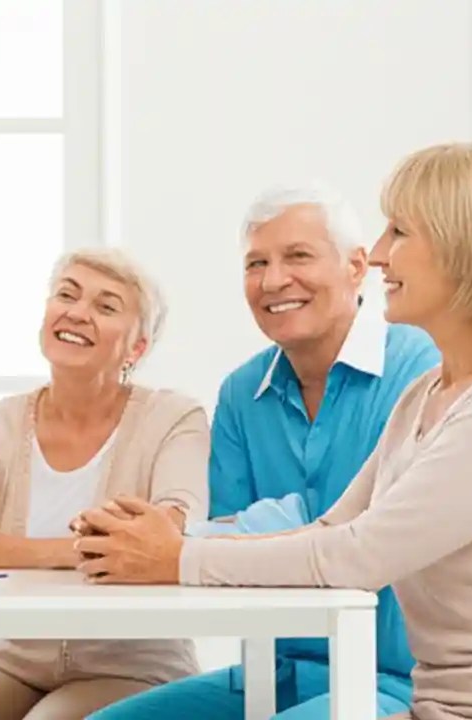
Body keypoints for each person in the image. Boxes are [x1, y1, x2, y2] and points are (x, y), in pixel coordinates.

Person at [78, 143, 472, 719]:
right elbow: (333, 526)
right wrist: (173, 546)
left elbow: (359, 555)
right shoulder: (426, 398)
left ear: (466, 247)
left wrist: (176, 559)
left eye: (399, 231)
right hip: (445, 704)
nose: (376, 255)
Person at [90, 184, 439, 719]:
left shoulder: (419, 367)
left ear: (355, 266)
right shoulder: (240, 393)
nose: (274, 280)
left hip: (393, 677)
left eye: (298, 256)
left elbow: (373, 543)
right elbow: (229, 538)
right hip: (270, 674)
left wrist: (200, 545)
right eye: (257, 263)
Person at [0, 248, 210, 720]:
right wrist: (73, 552)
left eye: (105, 306)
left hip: (131, 662)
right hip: (11, 656)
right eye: (66, 295)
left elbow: (176, 523)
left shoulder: (174, 419)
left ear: (137, 348)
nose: (76, 312)